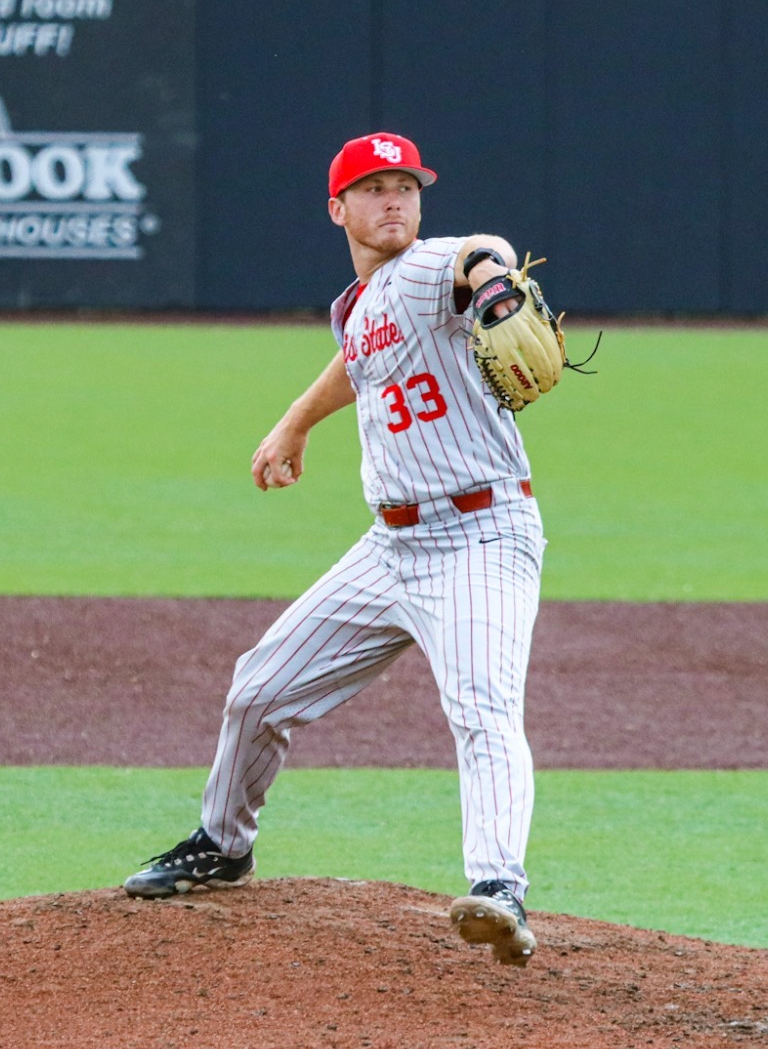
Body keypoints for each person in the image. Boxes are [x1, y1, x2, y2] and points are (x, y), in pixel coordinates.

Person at [123, 132, 548, 966]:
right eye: (375, 187)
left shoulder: (431, 268)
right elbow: (357, 364)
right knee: (257, 688)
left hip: (479, 537)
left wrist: (495, 280)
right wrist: (293, 421)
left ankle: (499, 888)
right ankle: (223, 843)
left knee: (481, 706)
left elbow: (478, 251)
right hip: (388, 547)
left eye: (406, 185)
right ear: (338, 209)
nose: (395, 199)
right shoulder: (357, 306)